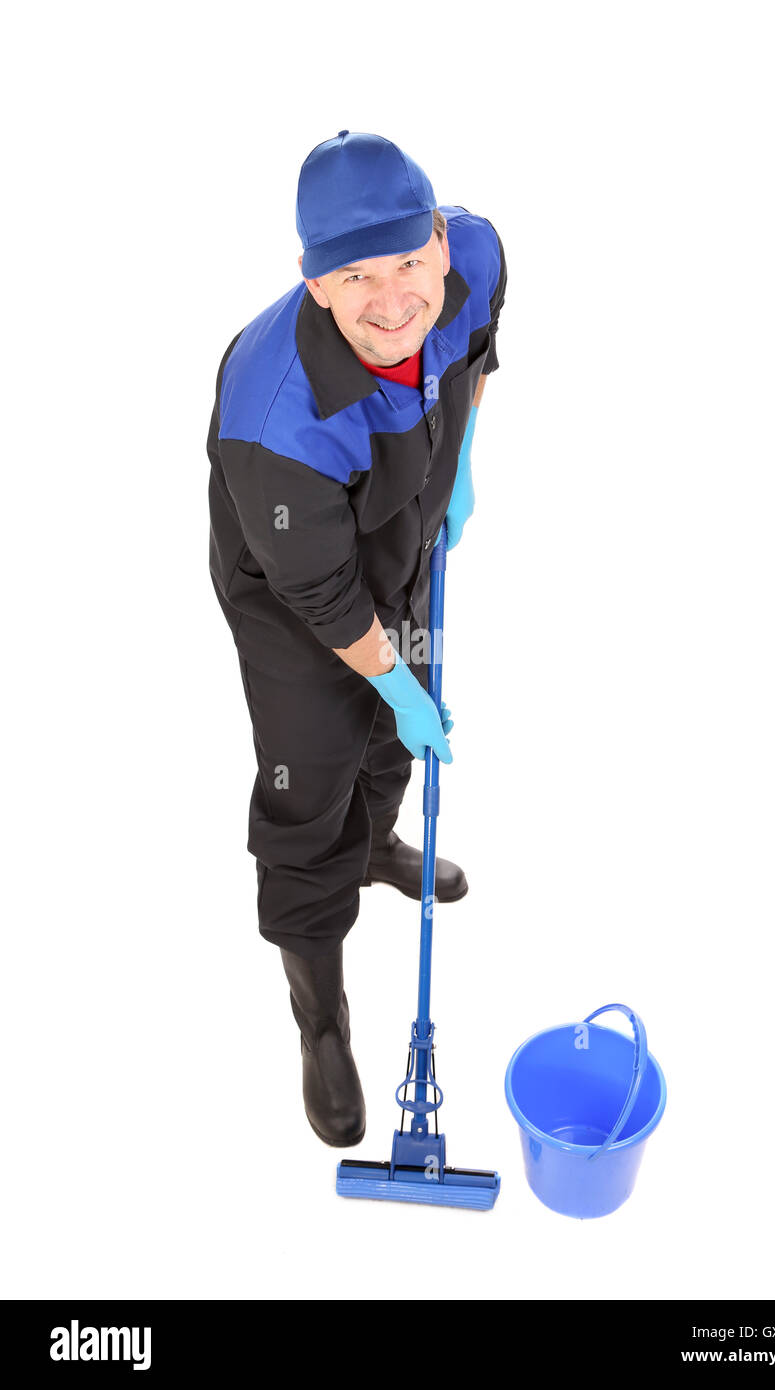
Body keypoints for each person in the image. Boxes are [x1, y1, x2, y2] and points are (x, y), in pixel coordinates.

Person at [207, 130, 506, 1146]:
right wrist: (399, 681)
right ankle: (319, 1017)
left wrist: (456, 468)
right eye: (353, 275)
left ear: (436, 238)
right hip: (299, 594)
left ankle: (375, 841)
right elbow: (328, 601)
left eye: (408, 262)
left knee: (392, 747)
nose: (391, 299)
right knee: (313, 782)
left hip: (401, 525)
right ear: (311, 279)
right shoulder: (273, 417)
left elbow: (473, 347)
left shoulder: (473, 255)